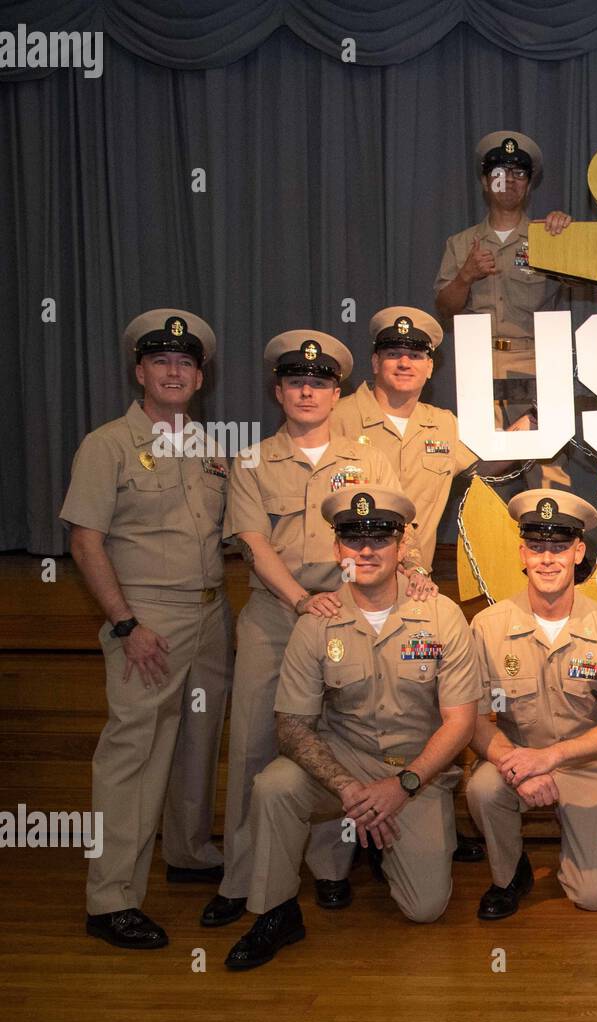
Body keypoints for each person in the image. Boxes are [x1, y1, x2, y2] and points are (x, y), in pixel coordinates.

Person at [204, 330, 432, 931]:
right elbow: (254, 544)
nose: (308, 391)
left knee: (338, 737)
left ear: (337, 393)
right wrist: (303, 599)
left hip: (352, 618)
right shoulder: (252, 460)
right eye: (297, 382)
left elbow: (394, 535)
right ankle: (244, 880)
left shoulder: (369, 459)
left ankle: (331, 869)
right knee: (257, 744)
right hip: (278, 618)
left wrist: (415, 577)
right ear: (278, 391)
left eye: (320, 383)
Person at [224, 487, 481, 969]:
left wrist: (401, 786)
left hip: (416, 770)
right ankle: (274, 914)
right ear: (337, 548)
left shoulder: (441, 615)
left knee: (425, 909)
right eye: (353, 537)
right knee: (274, 786)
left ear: (403, 546)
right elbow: (292, 727)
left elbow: (461, 723)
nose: (366, 550)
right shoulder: (316, 622)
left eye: (380, 537)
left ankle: (383, 850)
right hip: (344, 764)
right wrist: (349, 790)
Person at [331, 304, 534, 863]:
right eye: (394, 353)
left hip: (417, 585)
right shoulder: (339, 417)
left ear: (429, 366)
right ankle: (342, 846)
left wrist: (522, 433)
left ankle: (426, 815)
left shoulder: (441, 424)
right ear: (374, 361)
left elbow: (478, 466)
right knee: (346, 708)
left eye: (416, 355)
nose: (404, 362)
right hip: (353, 584)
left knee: (425, 705)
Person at [62, 310, 230, 948]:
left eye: (185, 363)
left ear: (199, 376)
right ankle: (110, 900)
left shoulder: (210, 447)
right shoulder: (107, 444)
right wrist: (125, 622)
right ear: (140, 371)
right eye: (161, 361)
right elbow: (84, 540)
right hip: (147, 616)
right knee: (133, 755)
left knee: (196, 740)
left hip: (212, 611)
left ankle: (187, 852)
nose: (174, 371)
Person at [466, 490, 597, 917]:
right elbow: (470, 717)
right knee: (484, 788)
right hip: (518, 762)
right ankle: (509, 875)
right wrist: (515, 765)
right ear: (522, 553)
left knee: (592, 898)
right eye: (538, 547)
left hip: (590, 767)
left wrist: (551, 758)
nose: (548, 559)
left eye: (559, 547)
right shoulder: (488, 626)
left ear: (578, 552)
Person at [434, 130, 572, 489]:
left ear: (529, 185)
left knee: (548, 470)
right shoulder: (461, 243)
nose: (508, 181)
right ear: (485, 180)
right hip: (478, 364)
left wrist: (571, 236)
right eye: (499, 172)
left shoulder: (549, 238)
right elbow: (445, 308)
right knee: (482, 470)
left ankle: (554, 543)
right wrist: (465, 276)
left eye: (519, 174)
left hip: (534, 361)